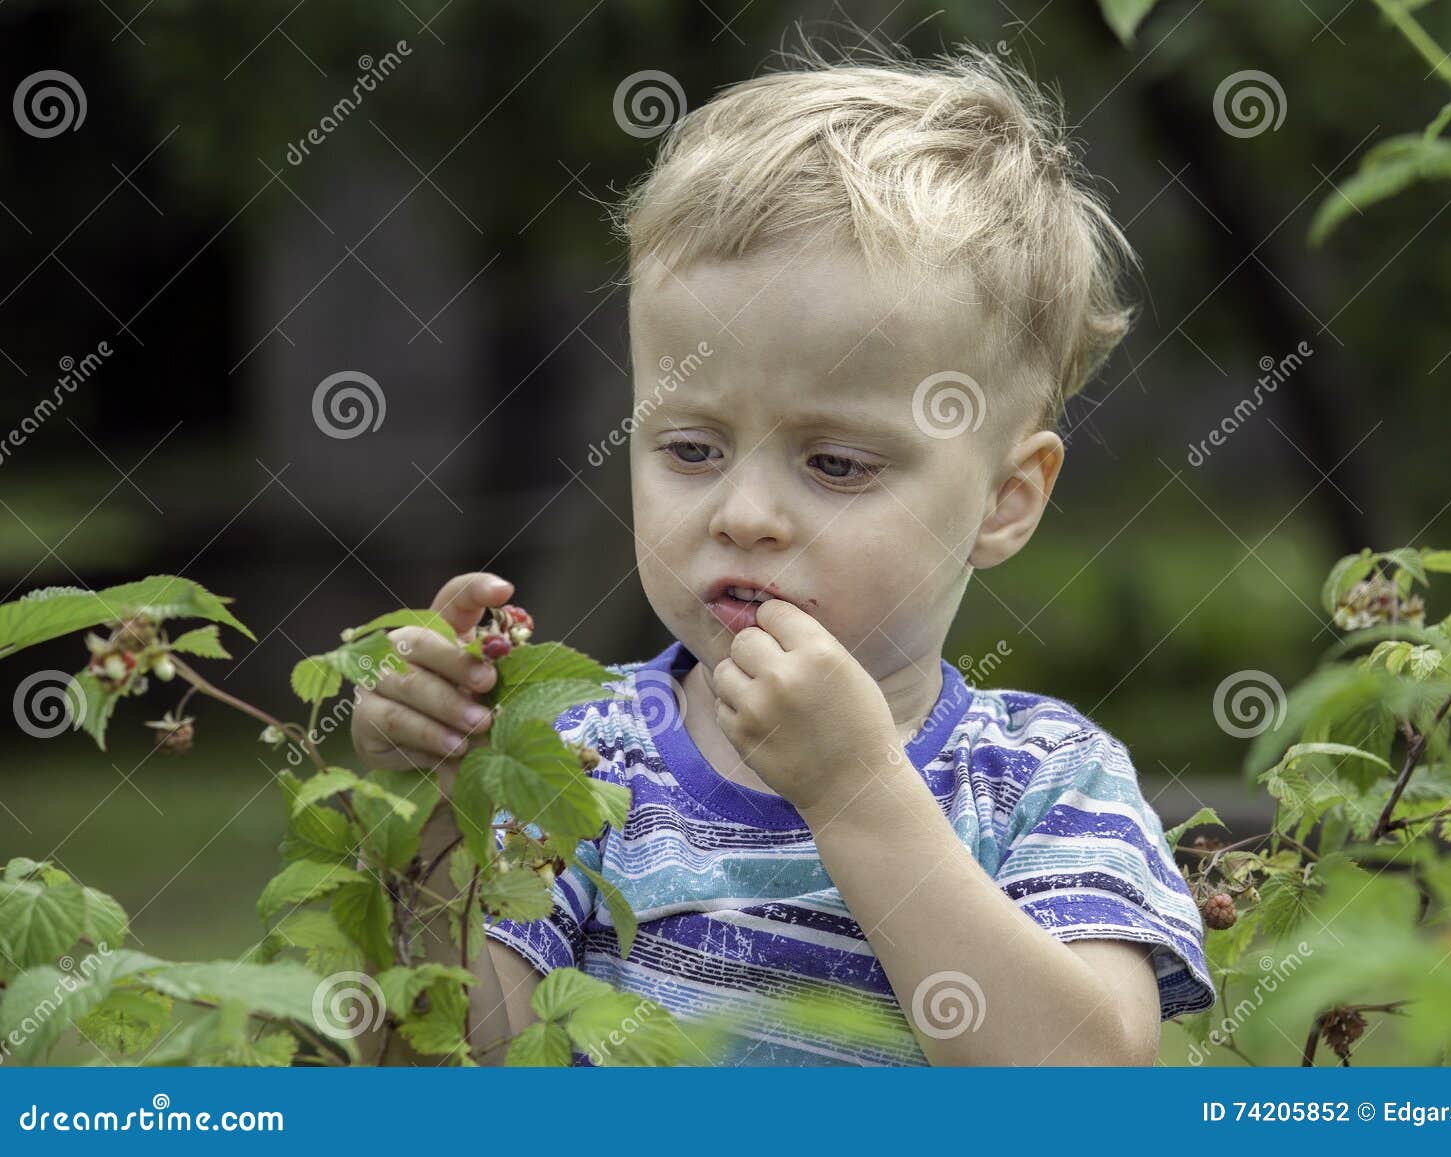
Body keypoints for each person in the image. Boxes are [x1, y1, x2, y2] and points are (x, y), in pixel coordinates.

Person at [351, 42, 1215, 1066]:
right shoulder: (581, 760)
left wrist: (856, 793)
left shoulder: (1040, 780)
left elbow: (1087, 1085)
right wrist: (436, 812)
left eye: (837, 462)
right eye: (690, 449)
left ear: (1004, 498)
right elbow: (469, 1056)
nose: (745, 512)